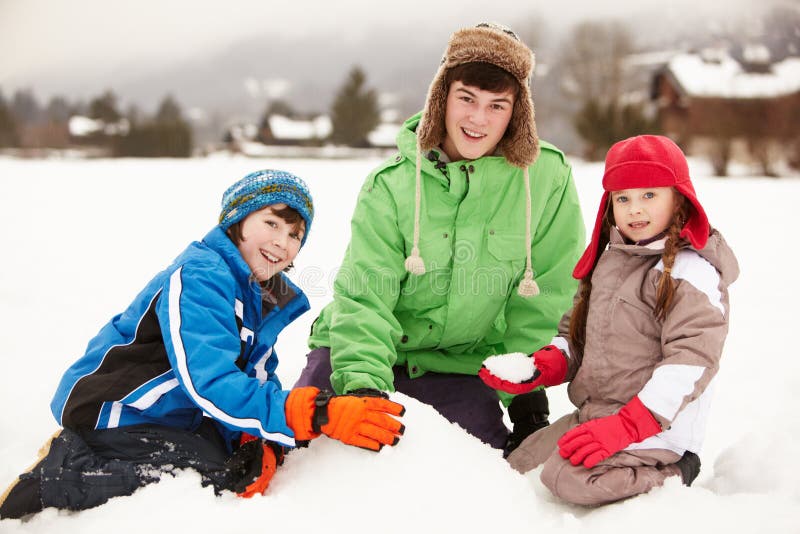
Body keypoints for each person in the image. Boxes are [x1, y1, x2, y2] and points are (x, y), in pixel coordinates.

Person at [0, 169, 405, 520]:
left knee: (242, 463)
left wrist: (261, 441)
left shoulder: (264, 297)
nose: (283, 242)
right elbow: (208, 381)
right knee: (213, 473)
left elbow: (256, 378)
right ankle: (64, 470)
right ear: (238, 220)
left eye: (296, 235)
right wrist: (313, 413)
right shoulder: (201, 275)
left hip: (179, 415)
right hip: (119, 409)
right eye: (272, 223)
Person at [295, 23, 585, 455]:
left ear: (517, 113)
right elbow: (365, 296)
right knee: (307, 455)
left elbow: (545, 297)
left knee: (482, 474)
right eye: (466, 98)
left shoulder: (545, 181)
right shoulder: (391, 186)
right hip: (361, 351)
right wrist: (363, 389)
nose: (478, 119)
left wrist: (525, 397)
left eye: (497, 105)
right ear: (442, 97)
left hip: (457, 364)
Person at [480, 135, 739, 505]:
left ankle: (676, 472)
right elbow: (576, 334)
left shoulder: (690, 273)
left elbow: (690, 363)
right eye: (624, 198)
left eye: (649, 195)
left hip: (656, 426)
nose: (635, 209)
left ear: (679, 197)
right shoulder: (610, 262)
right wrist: (545, 365)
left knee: (567, 479)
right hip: (597, 415)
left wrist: (628, 425)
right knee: (518, 465)